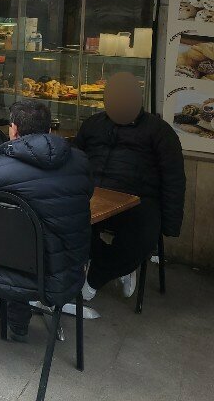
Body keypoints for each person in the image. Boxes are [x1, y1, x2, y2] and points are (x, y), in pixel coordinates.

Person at [0, 100, 93, 342]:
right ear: (50, 130)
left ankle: (17, 319)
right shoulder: (80, 164)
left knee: (9, 239)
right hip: (61, 273)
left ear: (13, 130)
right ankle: (18, 317)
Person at [73, 72, 186, 300]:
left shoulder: (160, 132)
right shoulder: (93, 124)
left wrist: (170, 224)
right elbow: (75, 159)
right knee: (68, 224)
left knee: (141, 237)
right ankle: (111, 265)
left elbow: (173, 178)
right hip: (93, 197)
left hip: (138, 201)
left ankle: (97, 275)